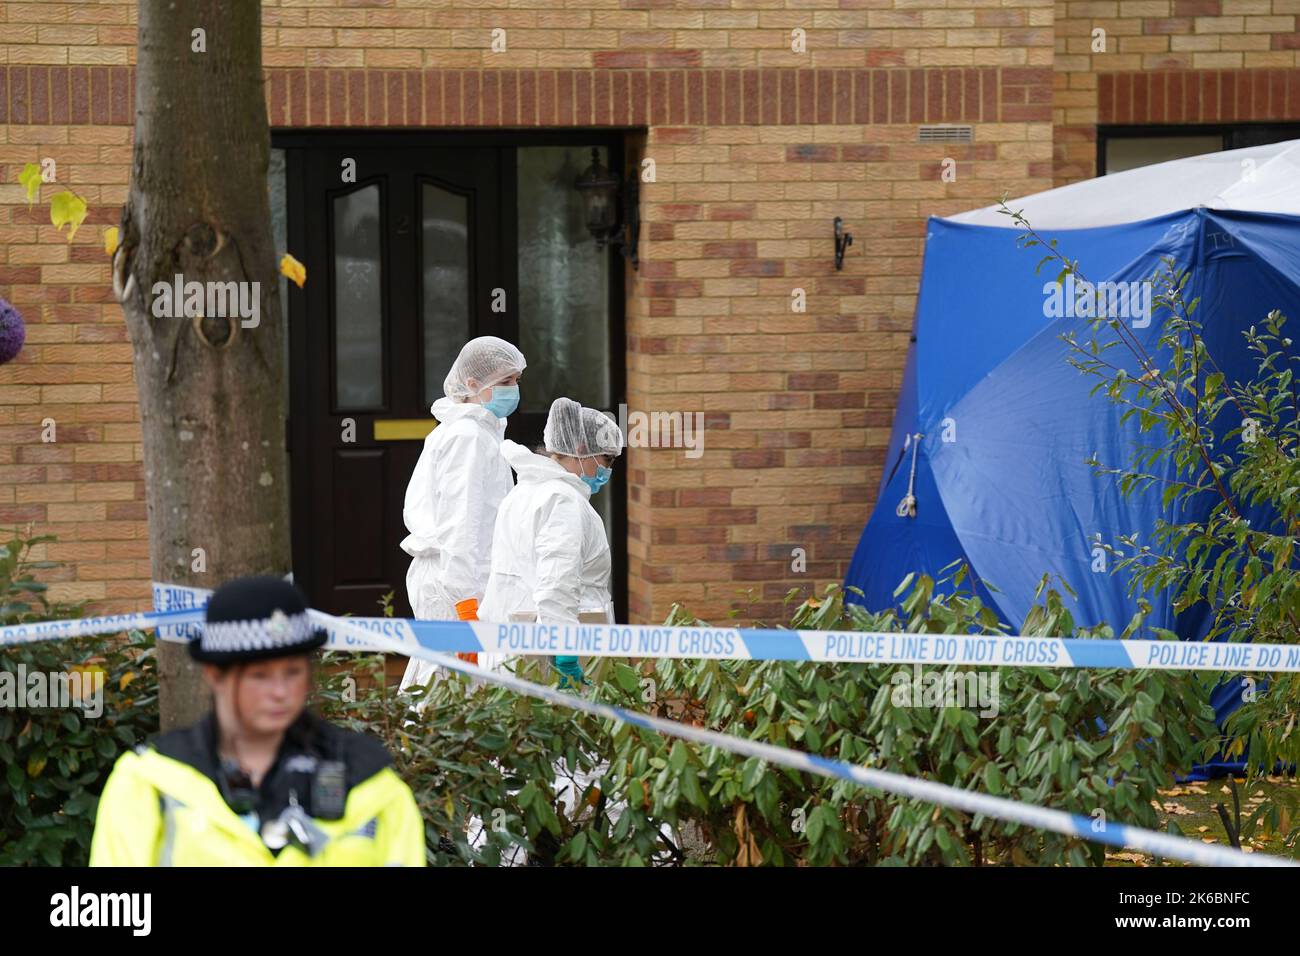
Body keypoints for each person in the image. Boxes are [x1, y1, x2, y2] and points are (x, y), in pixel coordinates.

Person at [89, 576, 426, 866]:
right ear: (214, 675)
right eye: (259, 675)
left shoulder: (370, 782)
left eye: (292, 672)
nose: (280, 692)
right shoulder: (150, 783)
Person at [400, 336, 526, 693]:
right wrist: (467, 606)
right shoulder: (468, 437)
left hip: (462, 583)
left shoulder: (475, 433)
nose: (513, 390)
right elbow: (461, 526)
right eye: (505, 381)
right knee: (446, 692)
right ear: (472, 384)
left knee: (447, 688)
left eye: (516, 380)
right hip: (456, 587)